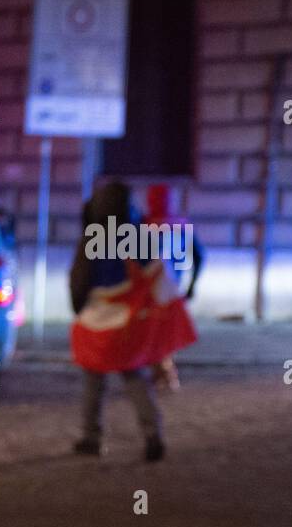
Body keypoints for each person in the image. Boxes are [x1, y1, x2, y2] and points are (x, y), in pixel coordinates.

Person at [69, 180, 196, 463]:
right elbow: (157, 275)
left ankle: (91, 437)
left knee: (93, 383)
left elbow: (78, 280)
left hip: (94, 322)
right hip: (127, 325)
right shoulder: (136, 236)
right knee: (135, 379)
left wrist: (77, 308)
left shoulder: (92, 237)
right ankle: (153, 436)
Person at [143, 184, 205, 392]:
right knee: (160, 331)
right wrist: (191, 284)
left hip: (152, 289)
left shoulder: (142, 224)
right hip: (170, 288)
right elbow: (199, 256)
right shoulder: (179, 225)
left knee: (155, 331)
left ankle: (166, 373)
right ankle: (161, 372)